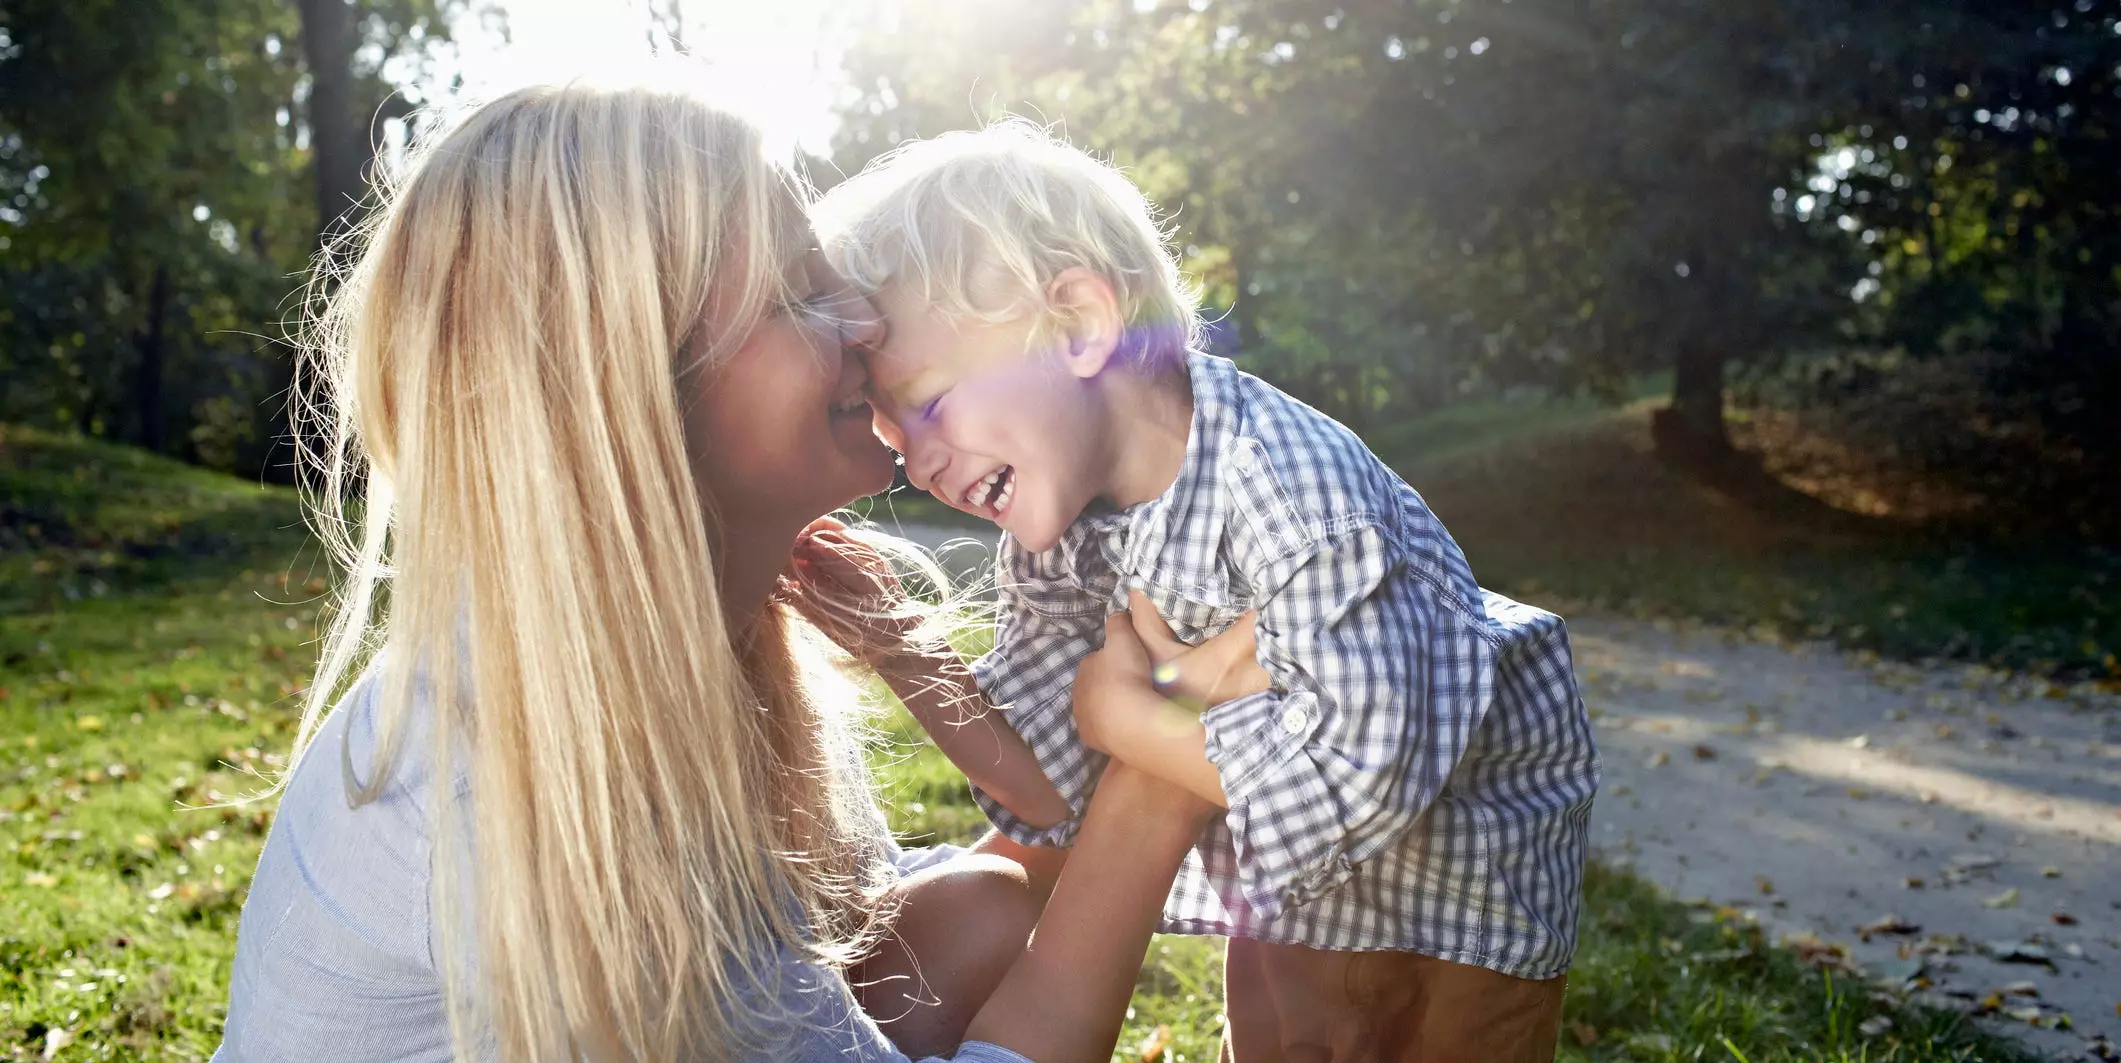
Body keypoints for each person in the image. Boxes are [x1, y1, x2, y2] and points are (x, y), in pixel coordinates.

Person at [213, 78, 1261, 1063]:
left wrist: (944, 675)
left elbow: (858, 936)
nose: (865, 323)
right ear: (633, 398)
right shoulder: (515, 775)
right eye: (795, 297)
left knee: (987, 902)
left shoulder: (706, 651)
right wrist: (1156, 788)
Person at [813, 120, 1604, 1062]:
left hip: (1454, 901)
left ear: (1079, 326)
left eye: (933, 406)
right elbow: (1044, 784)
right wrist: (900, 642)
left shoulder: (1294, 494)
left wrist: (1136, 727)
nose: (924, 464)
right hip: (1289, 903)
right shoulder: (1061, 529)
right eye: (901, 443)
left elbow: (1361, 783)